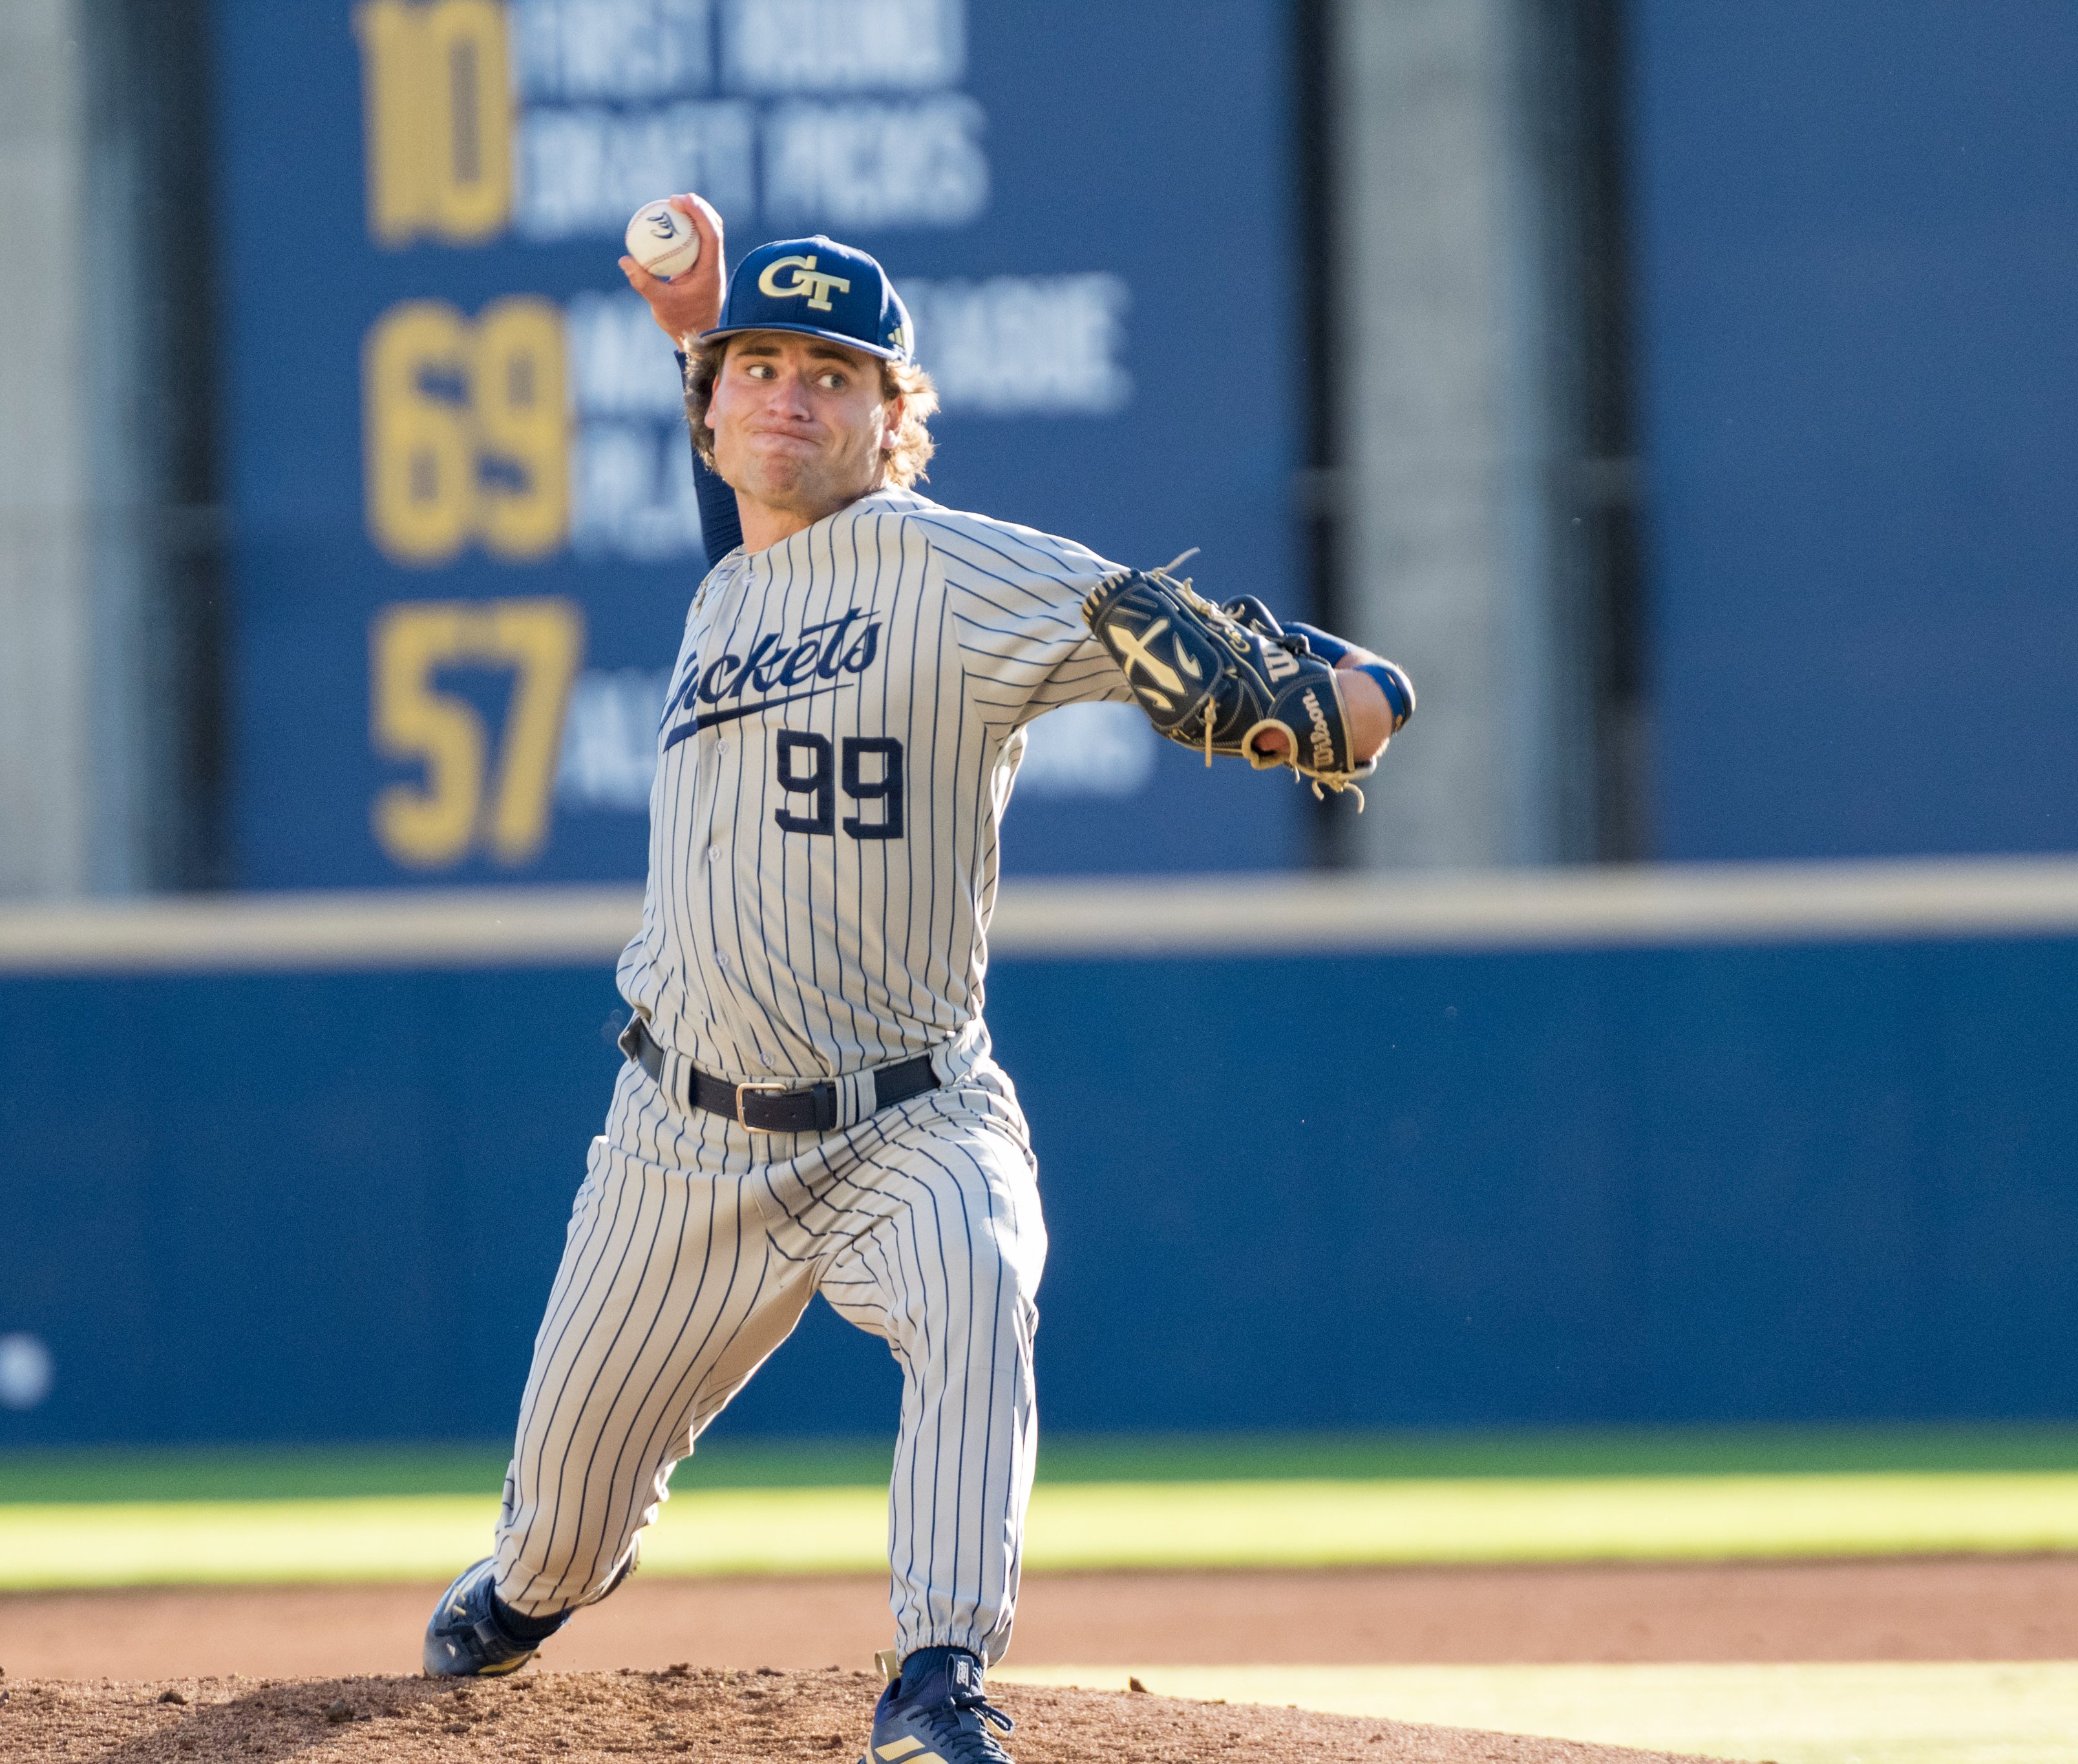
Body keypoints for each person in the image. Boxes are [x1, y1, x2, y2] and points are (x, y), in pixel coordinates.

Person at [419, 197, 1410, 1764]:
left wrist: (1325, 687)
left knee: (974, 1274)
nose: (788, 397)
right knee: (554, 1541)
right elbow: (759, 526)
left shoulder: (951, 570)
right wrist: (691, 331)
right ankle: (529, 1592)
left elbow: (1184, 643)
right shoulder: (735, 578)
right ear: (707, 411)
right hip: (679, 1141)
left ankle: (935, 1677)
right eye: (757, 369)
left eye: (833, 374)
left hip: (908, 1119)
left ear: (894, 419)